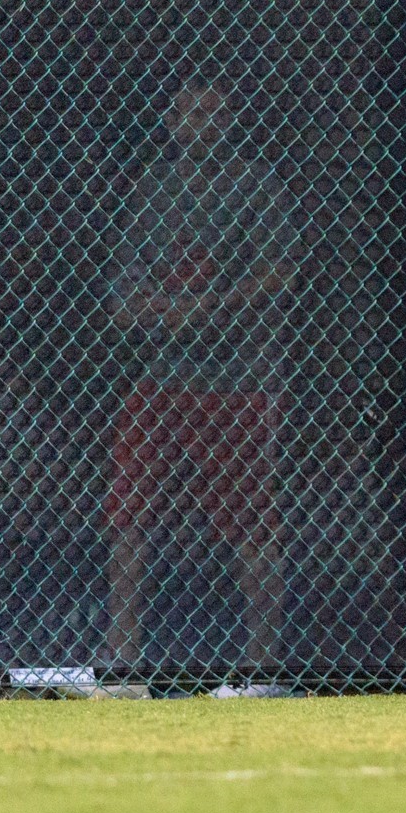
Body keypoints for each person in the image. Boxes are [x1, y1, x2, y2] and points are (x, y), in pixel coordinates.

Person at [104, 80, 293, 674]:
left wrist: (212, 309)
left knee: (250, 520)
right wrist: (150, 308)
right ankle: (123, 653)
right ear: (170, 119)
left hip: (235, 383)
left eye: (213, 112)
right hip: (162, 379)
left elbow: (280, 272)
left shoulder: (255, 187)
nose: (200, 124)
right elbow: (121, 284)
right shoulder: (153, 190)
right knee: (128, 511)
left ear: (231, 120)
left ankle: (262, 662)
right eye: (189, 112)